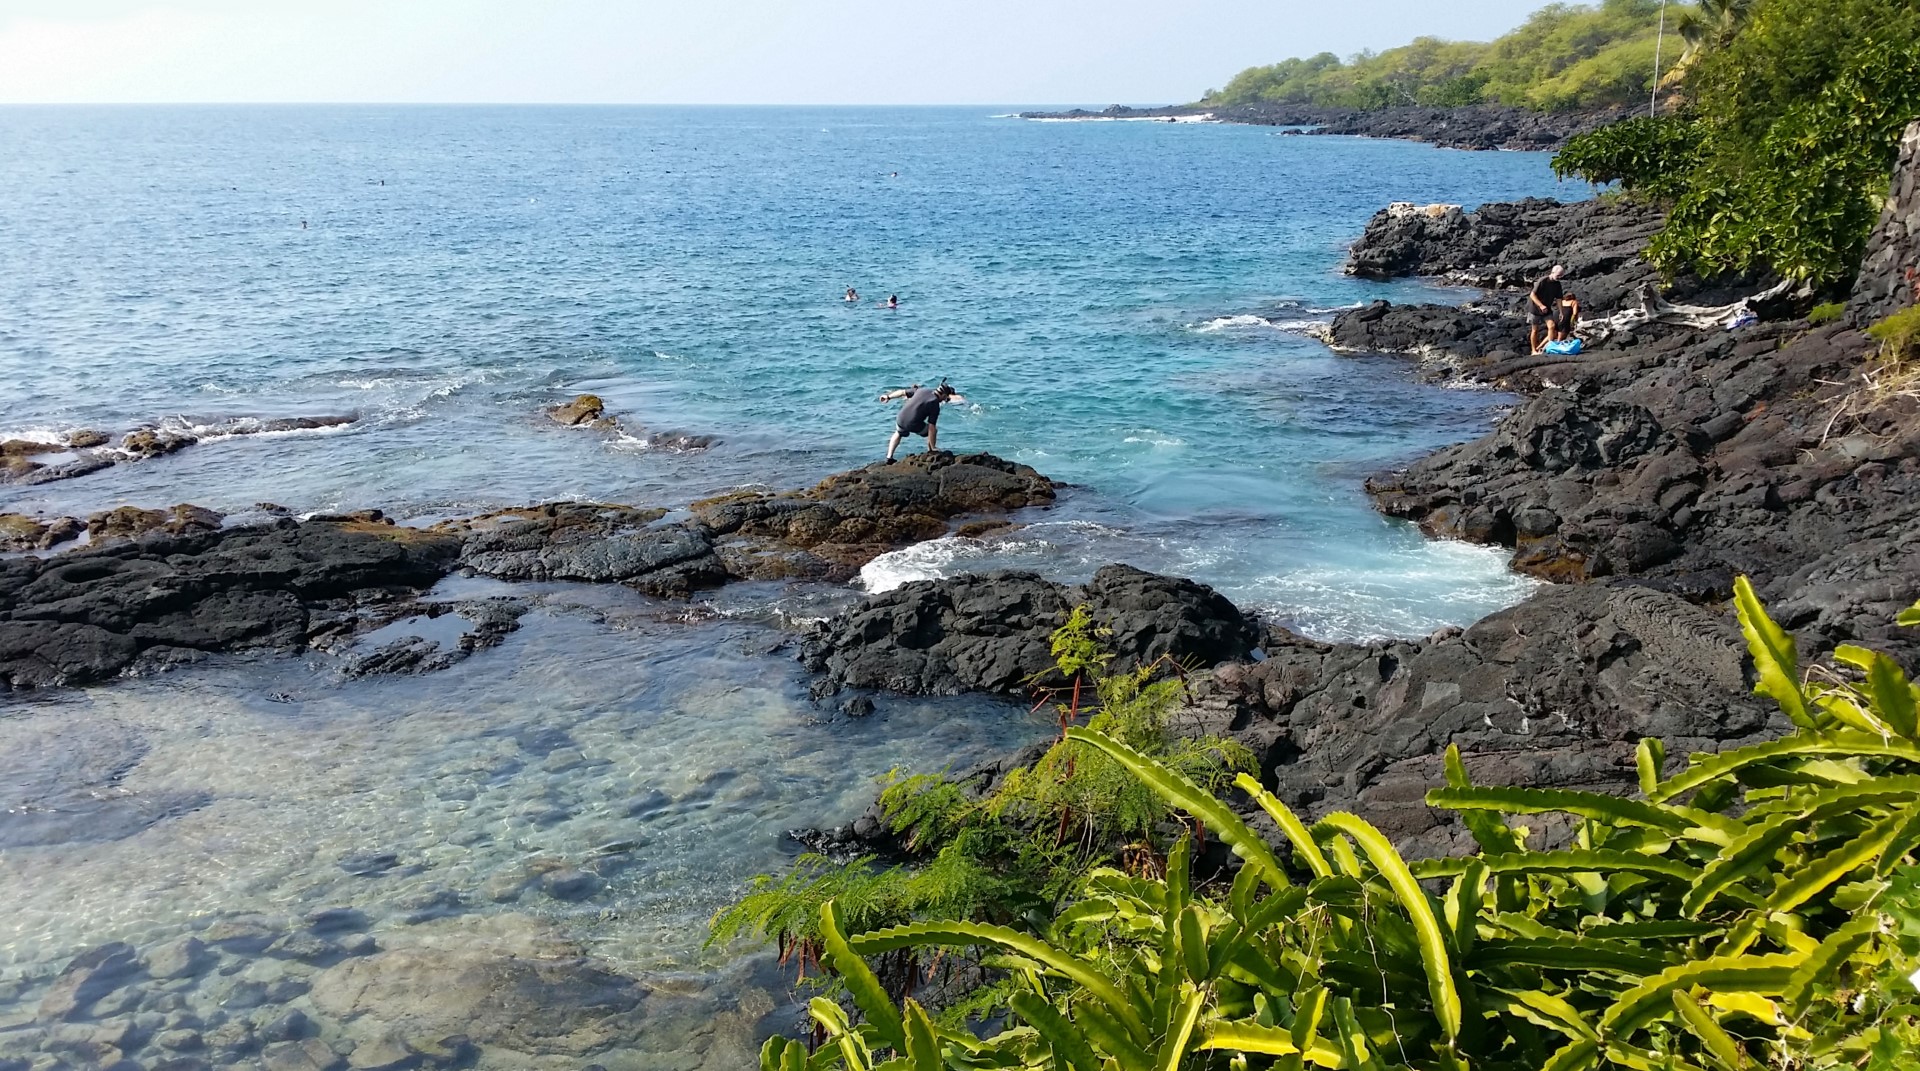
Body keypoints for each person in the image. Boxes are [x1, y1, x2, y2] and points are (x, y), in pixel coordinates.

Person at [879, 381, 966, 461]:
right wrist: (933, 446)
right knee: (932, 431)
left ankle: (889, 457)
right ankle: (931, 450)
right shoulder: (934, 404)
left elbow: (902, 392)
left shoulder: (921, 390)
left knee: (898, 433)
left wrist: (888, 397)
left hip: (900, 418)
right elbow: (931, 427)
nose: (945, 400)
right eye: (945, 398)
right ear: (943, 395)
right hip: (912, 424)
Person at [1528, 265, 1567, 355]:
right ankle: (1533, 350)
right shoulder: (1543, 281)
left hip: (1547, 309)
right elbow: (1532, 295)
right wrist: (1541, 306)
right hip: (1534, 308)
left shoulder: (1557, 284)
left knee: (1552, 326)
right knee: (1535, 330)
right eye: (1558, 275)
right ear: (1552, 273)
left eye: (1561, 276)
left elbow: (1559, 299)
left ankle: (1549, 347)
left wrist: (1561, 312)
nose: (1559, 278)